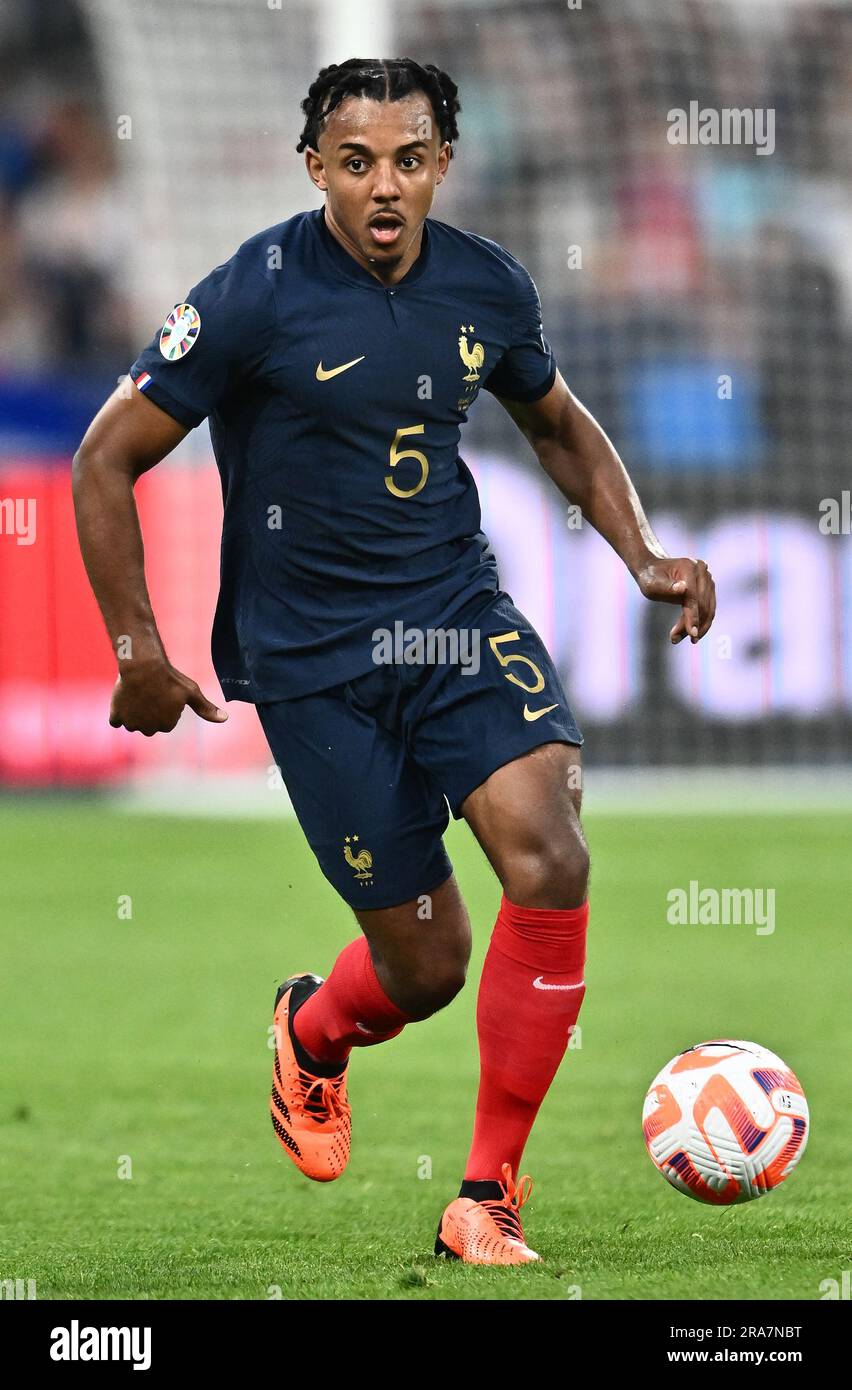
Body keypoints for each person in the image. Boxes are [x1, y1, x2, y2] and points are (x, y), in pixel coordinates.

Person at [72, 57, 716, 1266]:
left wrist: (642, 553)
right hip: (312, 662)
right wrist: (138, 647)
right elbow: (104, 459)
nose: (384, 186)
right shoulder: (252, 295)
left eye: (408, 160)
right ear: (314, 167)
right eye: (356, 161)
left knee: (551, 852)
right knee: (426, 964)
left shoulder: (486, 285)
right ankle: (313, 1032)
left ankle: (486, 1194)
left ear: (441, 167)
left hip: (455, 616)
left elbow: (558, 425)